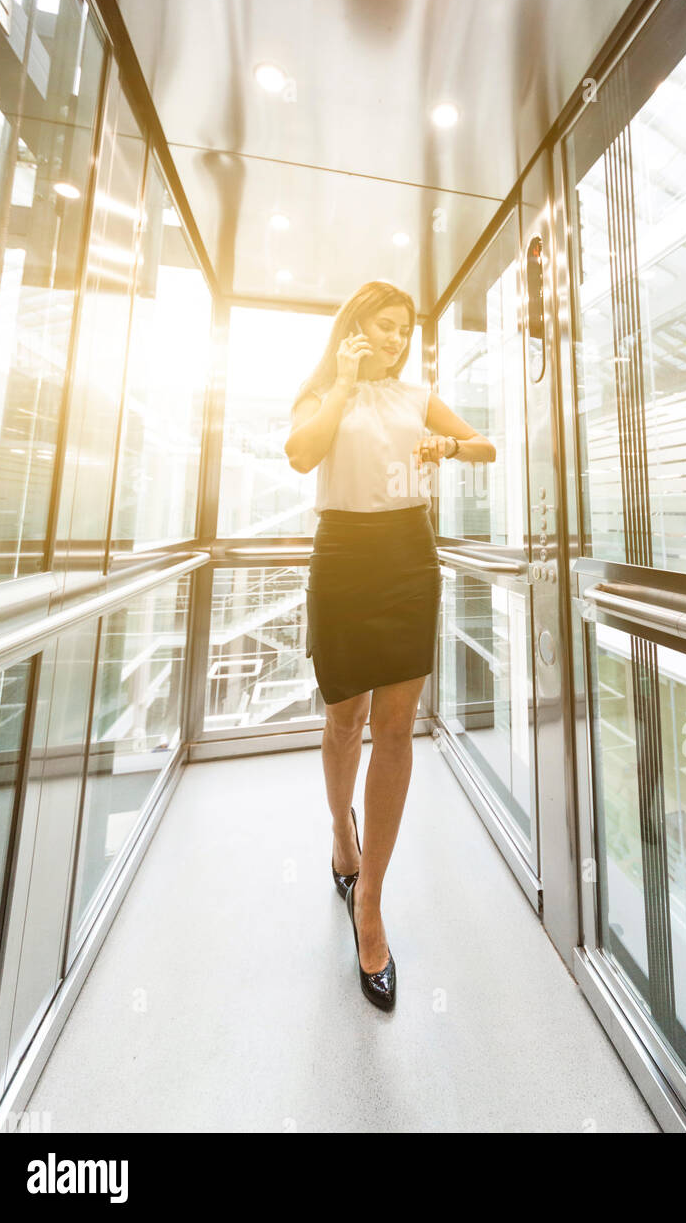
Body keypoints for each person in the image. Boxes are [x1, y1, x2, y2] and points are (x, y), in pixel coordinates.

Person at [284, 281, 495, 1010]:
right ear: (356, 326)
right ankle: (340, 837)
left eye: (406, 329)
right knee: (345, 720)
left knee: (396, 729)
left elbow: (485, 445)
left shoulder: (416, 395)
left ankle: (369, 897)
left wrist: (451, 446)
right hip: (343, 558)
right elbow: (301, 457)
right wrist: (343, 383)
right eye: (386, 325)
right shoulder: (320, 391)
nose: (398, 339)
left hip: (409, 557)